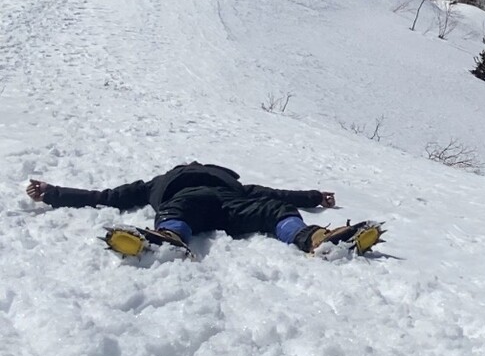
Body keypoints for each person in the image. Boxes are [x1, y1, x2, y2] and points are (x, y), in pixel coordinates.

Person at [26, 161, 380, 255]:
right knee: (179, 209)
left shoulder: (232, 182)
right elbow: (106, 196)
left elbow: (273, 193)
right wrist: (55, 192)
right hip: (190, 203)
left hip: (229, 202)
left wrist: (314, 196)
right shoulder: (159, 184)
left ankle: (315, 238)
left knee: (272, 207)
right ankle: (166, 239)